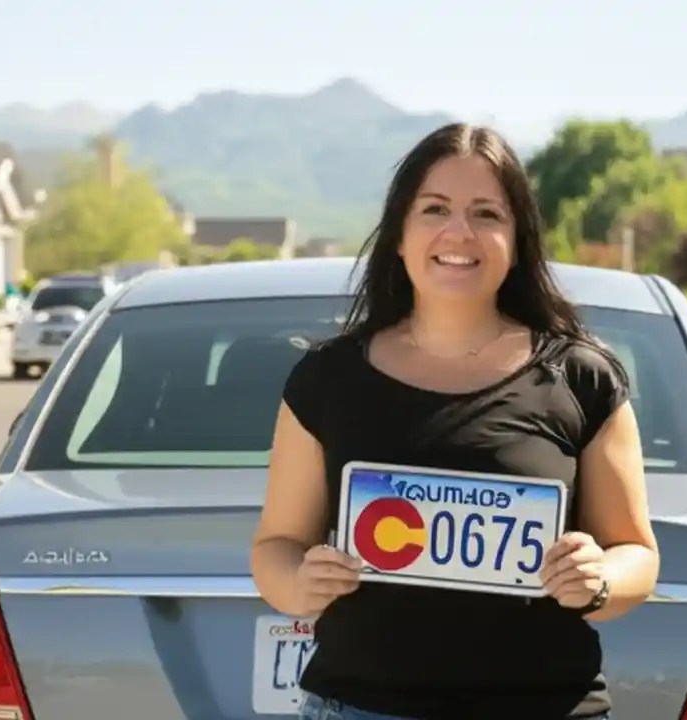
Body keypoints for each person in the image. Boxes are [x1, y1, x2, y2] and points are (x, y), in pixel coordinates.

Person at [250, 122, 659, 720]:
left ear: (518, 239)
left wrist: (598, 579)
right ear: (399, 234)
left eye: (487, 214)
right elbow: (275, 547)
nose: (458, 232)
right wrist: (297, 585)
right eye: (435, 209)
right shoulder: (326, 380)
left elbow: (637, 555)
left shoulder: (583, 379)